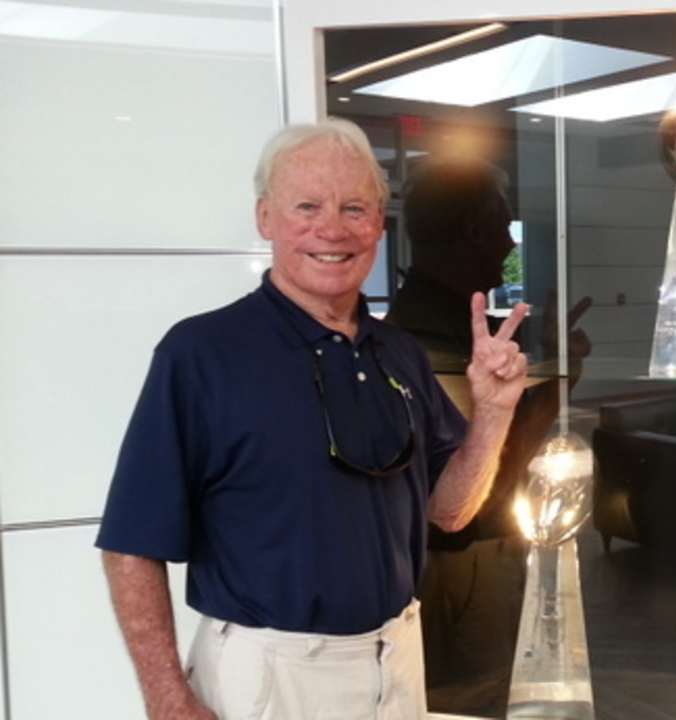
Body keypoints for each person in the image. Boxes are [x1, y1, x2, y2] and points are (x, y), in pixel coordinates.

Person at [95, 118, 528, 720]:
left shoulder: (399, 353)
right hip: (270, 678)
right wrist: (168, 700)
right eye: (307, 206)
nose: (333, 229)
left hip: (399, 662)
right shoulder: (201, 354)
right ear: (265, 217)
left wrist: (494, 414)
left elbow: (450, 511)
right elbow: (130, 547)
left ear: (378, 224)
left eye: (355, 208)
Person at [387, 156, 590, 716]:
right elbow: (483, 484)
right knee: (468, 700)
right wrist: (558, 379)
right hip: (463, 563)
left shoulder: (422, 327)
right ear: (473, 232)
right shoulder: (432, 341)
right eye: (502, 225)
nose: (509, 241)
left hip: (443, 559)